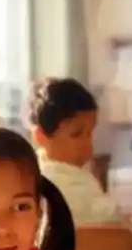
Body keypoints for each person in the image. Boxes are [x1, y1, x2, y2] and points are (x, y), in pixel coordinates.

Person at [29, 78, 122, 224]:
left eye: (90, 133)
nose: (87, 143)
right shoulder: (50, 180)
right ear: (41, 137)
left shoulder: (80, 175)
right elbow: (106, 217)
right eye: (76, 134)